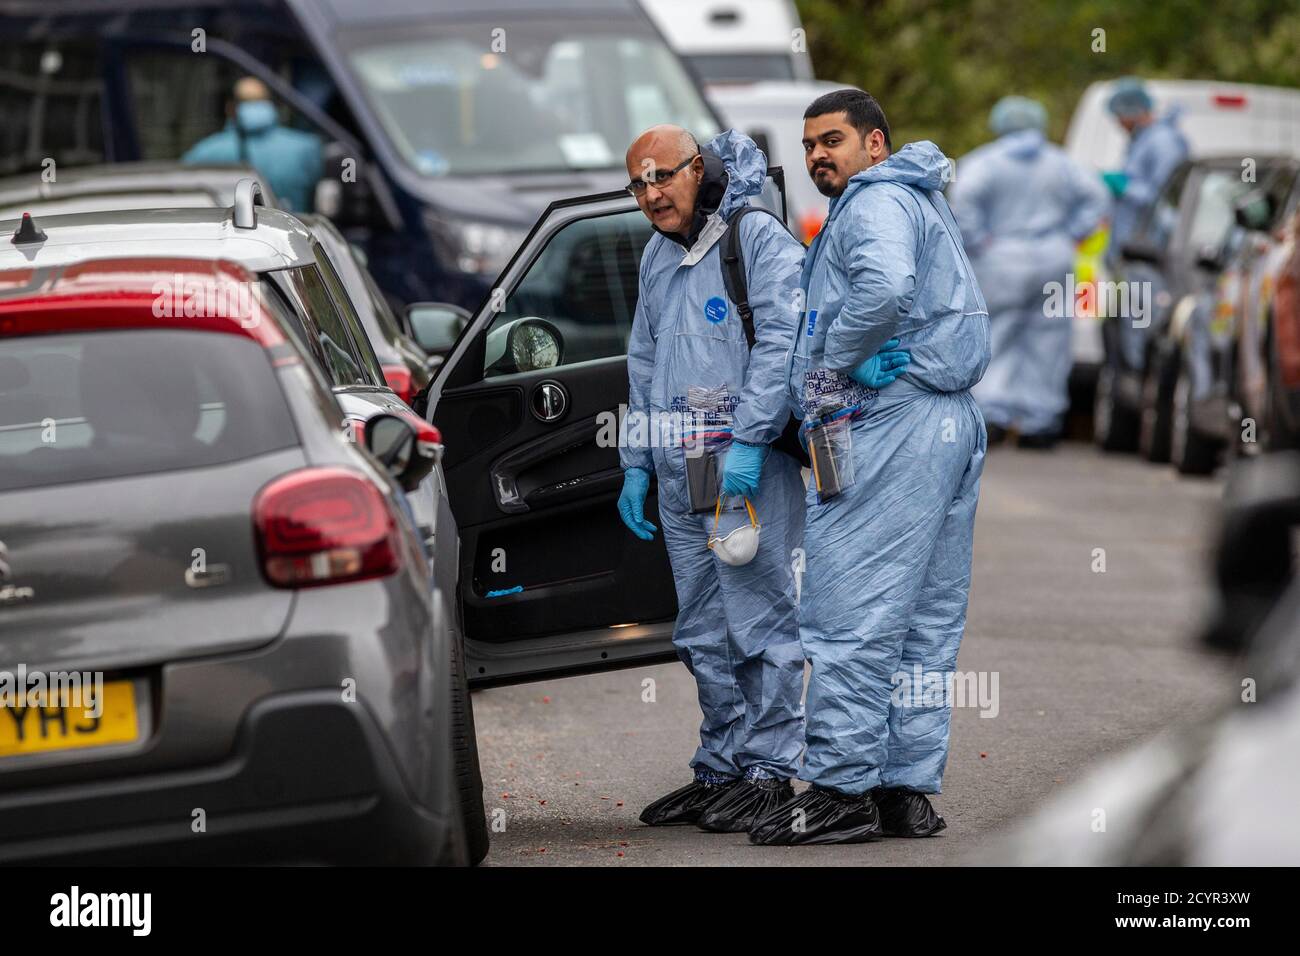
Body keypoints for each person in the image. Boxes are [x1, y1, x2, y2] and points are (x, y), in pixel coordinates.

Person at [616, 124, 907, 832]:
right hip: (683, 468)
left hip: (743, 467)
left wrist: (748, 442)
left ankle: (770, 768)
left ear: (701, 169)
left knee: (760, 621)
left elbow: (785, 342)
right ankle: (721, 763)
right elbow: (644, 359)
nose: (653, 194)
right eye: (640, 184)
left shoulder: (757, 241)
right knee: (701, 629)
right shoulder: (660, 254)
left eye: (665, 177)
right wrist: (634, 461)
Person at [749, 89, 990, 845]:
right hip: (942, 421)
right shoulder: (912, 199)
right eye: (810, 143)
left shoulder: (874, 202)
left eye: (834, 140)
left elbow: (884, 290)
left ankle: (842, 790)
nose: (818, 154)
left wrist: (836, 357)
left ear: (875, 144)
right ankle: (903, 788)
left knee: (851, 612)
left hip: (892, 423)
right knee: (922, 619)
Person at [948, 96, 1109, 447]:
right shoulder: (1061, 162)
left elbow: (963, 202)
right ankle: (1041, 421)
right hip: (1053, 257)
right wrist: (1073, 233)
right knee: (1048, 341)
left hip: (1000, 259)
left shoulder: (985, 162)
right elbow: (1097, 196)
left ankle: (992, 414)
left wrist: (979, 241)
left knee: (996, 335)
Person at [183, 77, 323, 212]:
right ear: (270, 104)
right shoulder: (307, 148)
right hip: (291, 233)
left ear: (230, 107)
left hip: (230, 233)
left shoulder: (203, 151)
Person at [1103, 77, 1188, 265]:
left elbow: (1167, 196)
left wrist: (1126, 188)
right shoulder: (1143, 140)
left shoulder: (1163, 142)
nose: (1119, 123)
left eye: (1120, 116)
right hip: (1134, 249)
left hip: (1150, 250)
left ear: (1134, 112)